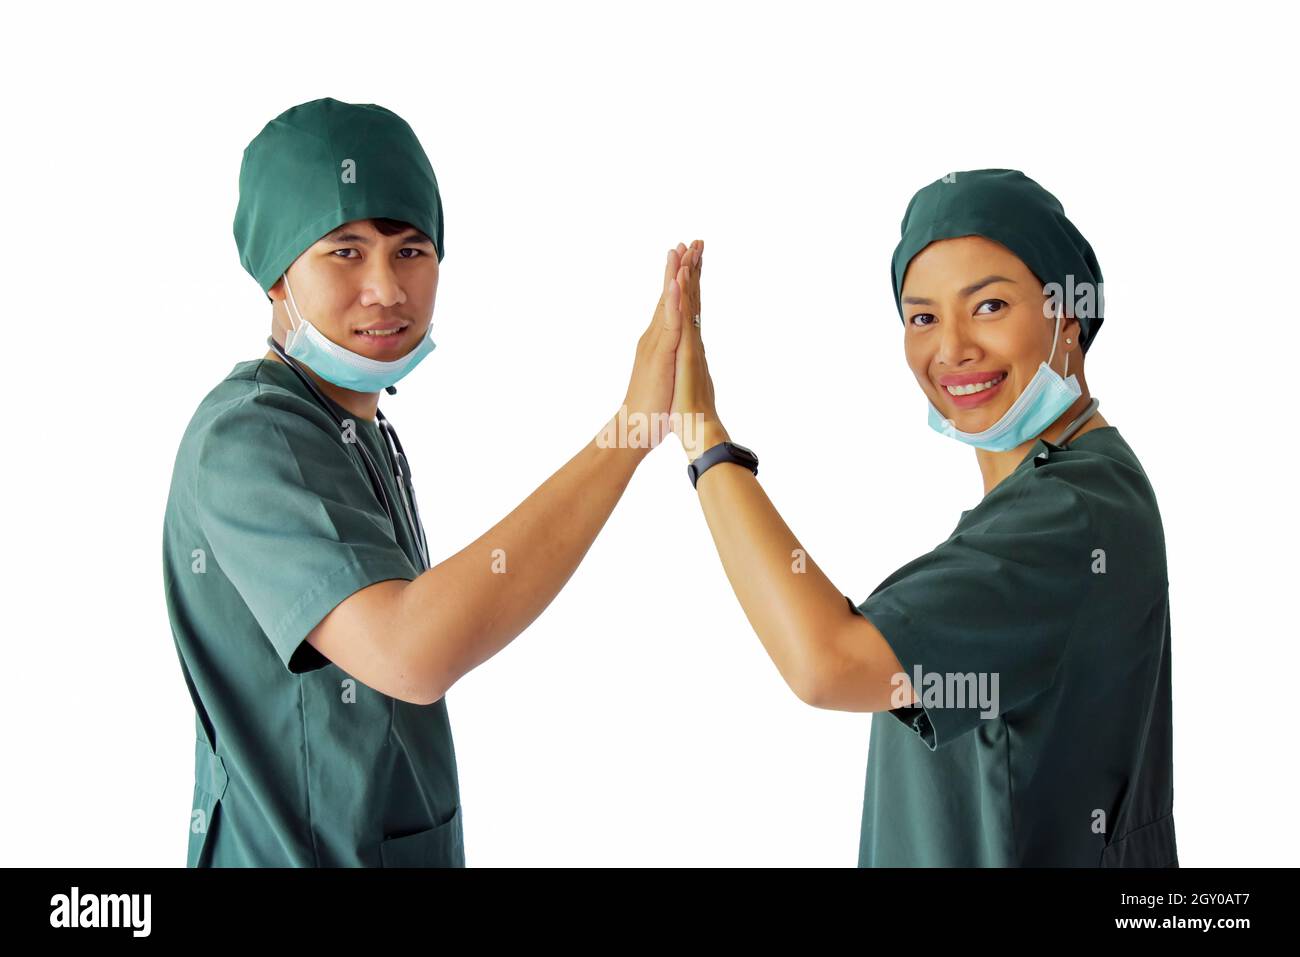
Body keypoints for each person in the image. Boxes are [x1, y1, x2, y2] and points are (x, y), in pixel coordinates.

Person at [162, 97, 695, 866]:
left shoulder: (360, 432)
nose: (387, 288)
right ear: (278, 273)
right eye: (345, 251)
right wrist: (627, 434)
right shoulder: (249, 439)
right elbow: (412, 650)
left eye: (411, 250)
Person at [666, 169, 1177, 866]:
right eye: (923, 316)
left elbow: (827, 660)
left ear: (1069, 313)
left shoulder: (1069, 515)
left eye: (990, 305)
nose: (953, 348)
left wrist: (703, 436)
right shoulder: (1077, 489)